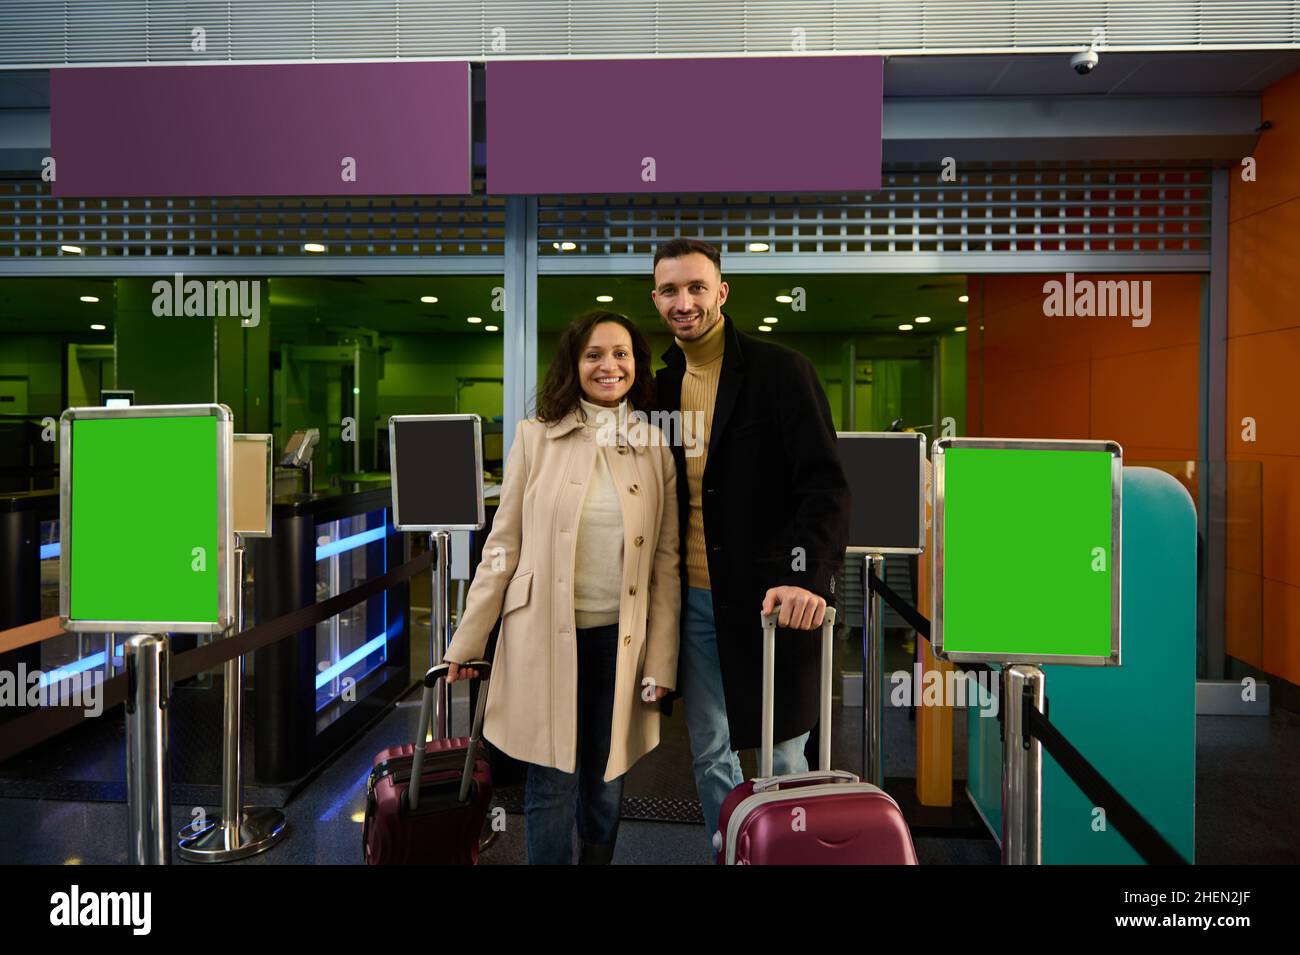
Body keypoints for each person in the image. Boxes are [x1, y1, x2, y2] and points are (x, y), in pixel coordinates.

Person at [443, 310, 680, 865]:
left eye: (621, 354)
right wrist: (467, 640)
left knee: (606, 775)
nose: (609, 365)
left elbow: (665, 566)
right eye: (595, 354)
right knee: (551, 780)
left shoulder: (653, 445)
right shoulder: (535, 438)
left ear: (636, 366)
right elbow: (501, 547)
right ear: (574, 364)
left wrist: (661, 665)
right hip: (543, 639)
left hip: (619, 643)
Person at [650, 238, 850, 848]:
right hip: (694, 604)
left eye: (696, 288)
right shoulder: (658, 391)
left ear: (722, 293)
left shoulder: (781, 371)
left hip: (773, 600)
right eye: (669, 291)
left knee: (782, 752)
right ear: (655, 298)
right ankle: (733, 852)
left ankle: (787, 857)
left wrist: (808, 578)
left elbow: (825, 487)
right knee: (710, 750)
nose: (684, 302)